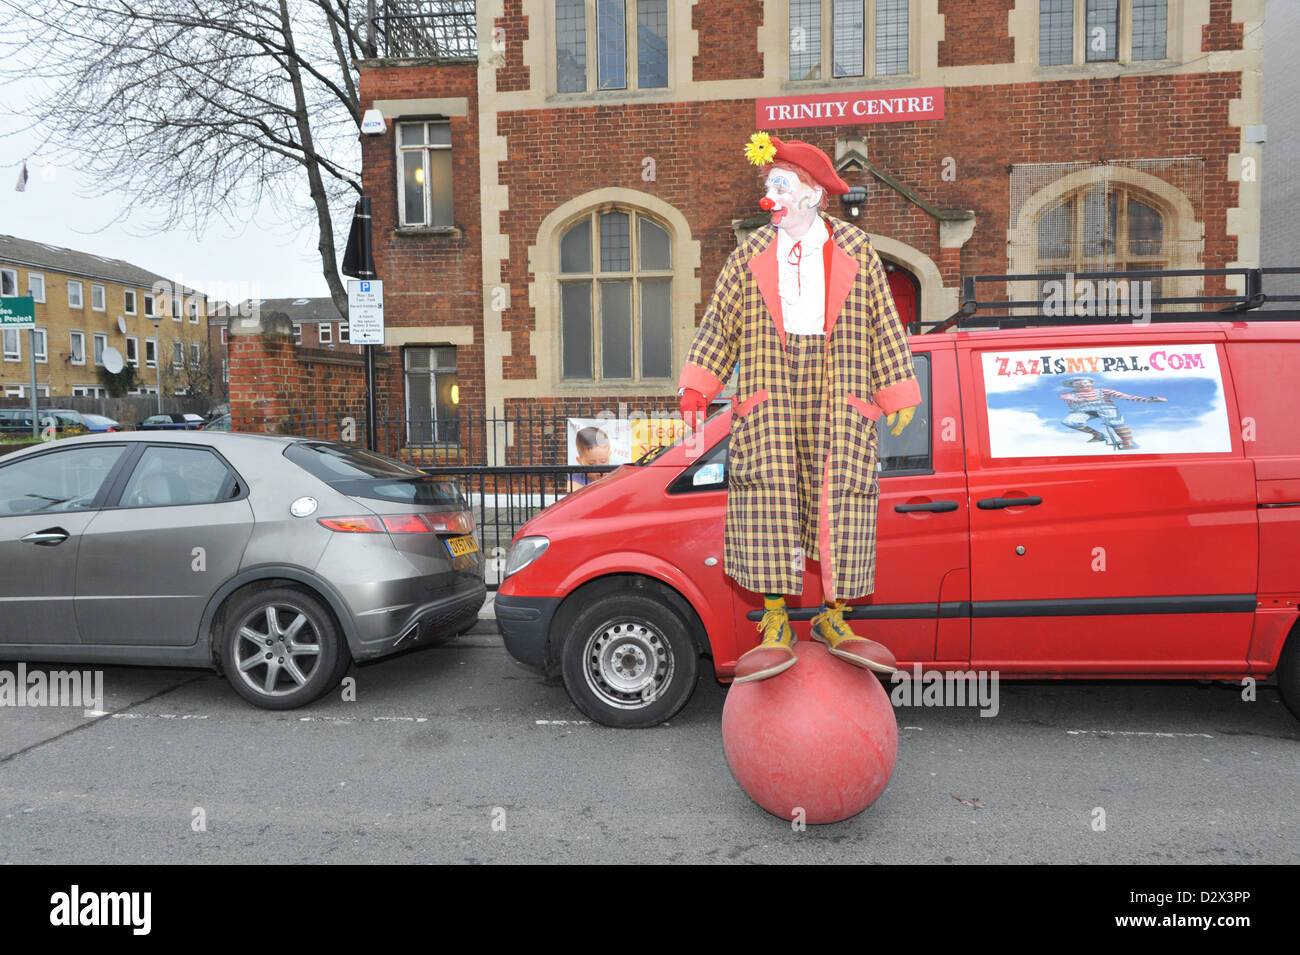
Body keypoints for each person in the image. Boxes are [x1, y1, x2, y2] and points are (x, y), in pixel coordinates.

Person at [678, 132, 921, 683]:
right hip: (771, 384)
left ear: (812, 194)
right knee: (769, 496)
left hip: (841, 387)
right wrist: (698, 383)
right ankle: (776, 620)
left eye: (780, 185)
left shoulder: (857, 250)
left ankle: (835, 618)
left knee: (841, 497)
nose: (771, 196)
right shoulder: (749, 254)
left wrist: (897, 389)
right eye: (769, 185)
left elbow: (884, 322)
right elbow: (721, 323)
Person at [568, 425, 611, 491]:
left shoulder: (613, 477)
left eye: (603, 461)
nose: (599, 469)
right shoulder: (574, 479)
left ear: (609, 454)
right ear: (580, 461)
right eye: (591, 464)